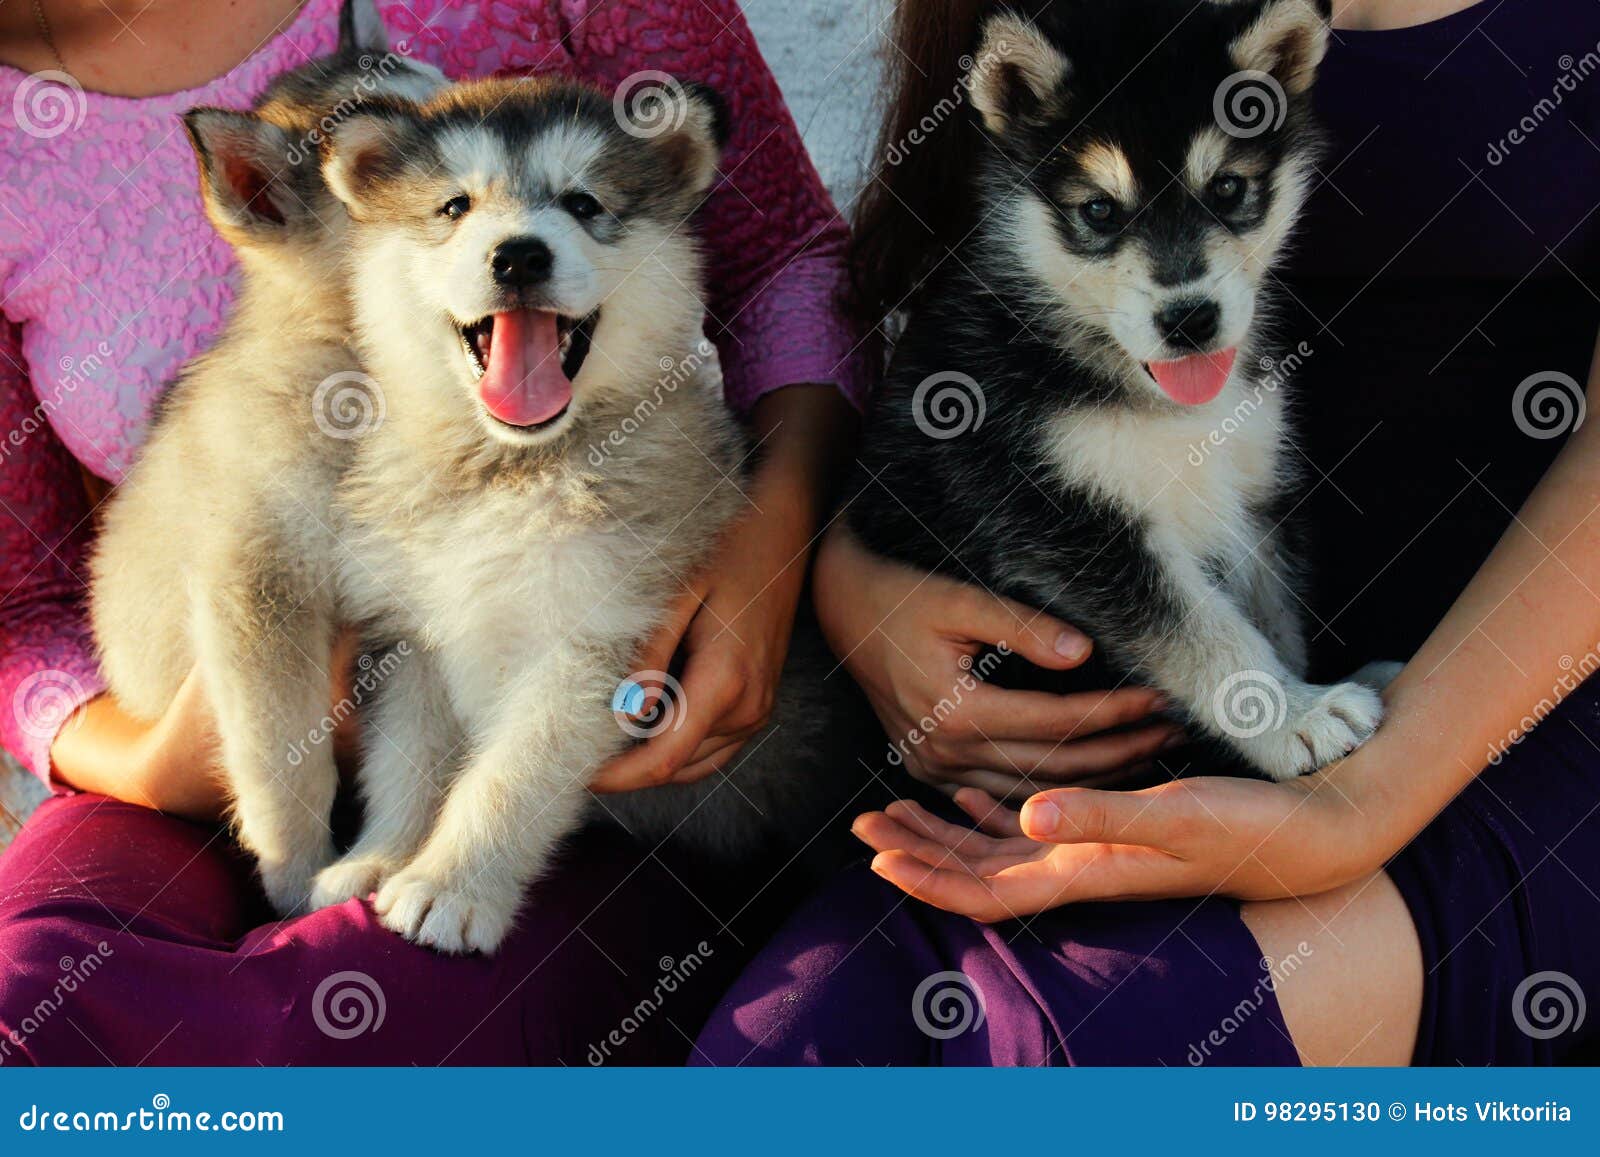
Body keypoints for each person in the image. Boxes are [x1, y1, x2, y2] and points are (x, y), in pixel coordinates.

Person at [695, 0, 1600, 1066]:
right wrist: (855, 580)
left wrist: (1353, 801)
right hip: (1187, 742)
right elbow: (956, 365)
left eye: (1228, 197)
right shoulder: (1062, 43)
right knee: (795, 1051)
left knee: (1068, 1055)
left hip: (1502, 724)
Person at [0, 0, 863, 1064]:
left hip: (602, 750)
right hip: (185, 765)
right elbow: (19, 609)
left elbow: (785, 254)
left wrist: (767, 546)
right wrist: (151, 757)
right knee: (36, 1009)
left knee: (357, 1011)